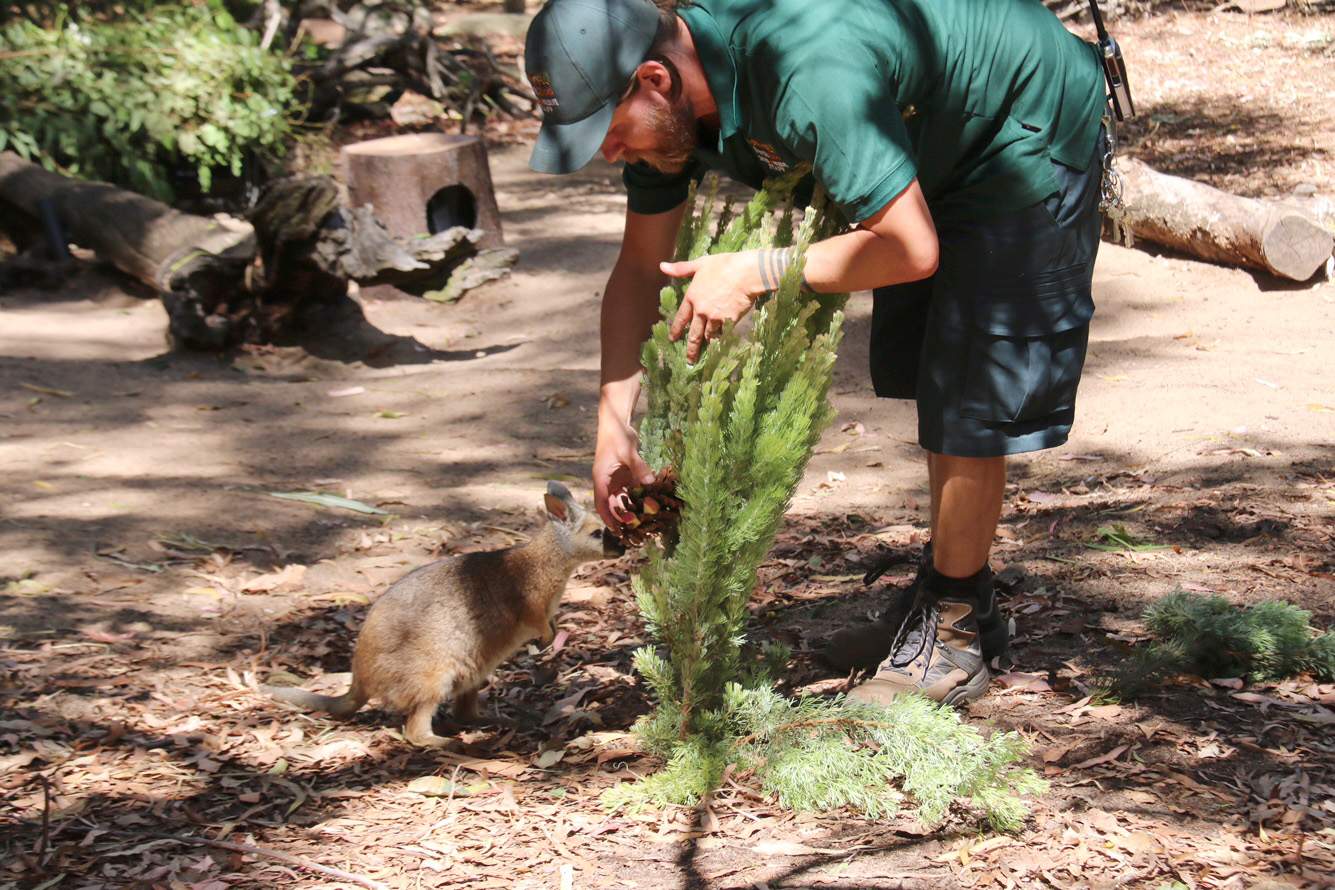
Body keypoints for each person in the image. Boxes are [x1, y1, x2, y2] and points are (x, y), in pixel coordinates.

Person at [523, 0, 1110, 705]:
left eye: (609, 134)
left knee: (969, 394)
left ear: (654, 79)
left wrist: (754, 271)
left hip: (1016, 122)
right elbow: (639, 269)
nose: (610, 155)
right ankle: (955, 594)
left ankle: (951, 632)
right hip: (922, 130)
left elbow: (910, 249)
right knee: (936, 373)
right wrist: (611, 427)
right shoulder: (675, 113)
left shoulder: (803, 72)